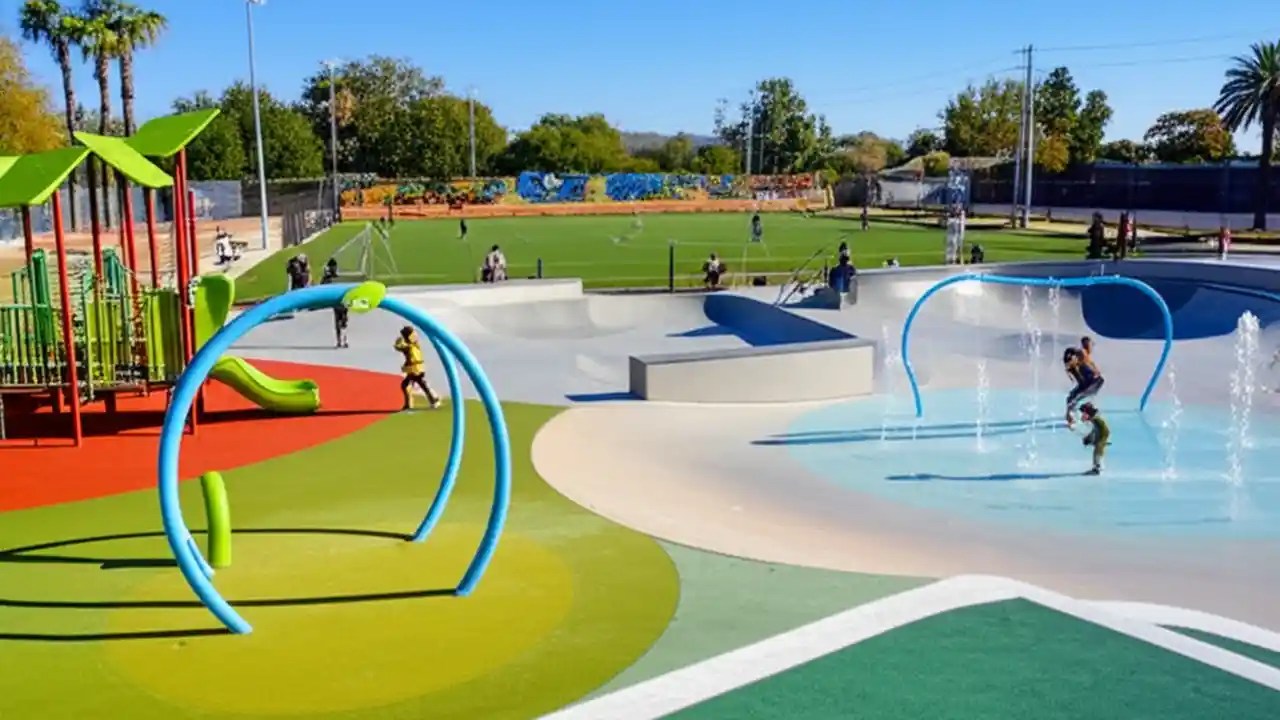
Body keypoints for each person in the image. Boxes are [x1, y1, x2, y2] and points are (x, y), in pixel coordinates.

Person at [394, 326, 441, 411]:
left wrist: (398, 342)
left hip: (415, 368)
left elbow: (400, 347)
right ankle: (431, 399)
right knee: (416, 384)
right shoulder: (413, 344)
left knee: (413, 384)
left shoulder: (410, 346)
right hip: (416, 367)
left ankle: (433, 399)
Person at [1063, 346, 1105, 429]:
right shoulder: (1072, 368)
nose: (1068, 365)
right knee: (1071, 398)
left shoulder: (1081, 363)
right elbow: (1081, 383)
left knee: (1077, 398)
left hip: (1095, 382)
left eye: (1070, 361)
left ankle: (1089, 414)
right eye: (1067, 363)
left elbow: (1083, 354)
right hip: (1086, 383)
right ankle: (1087, 413)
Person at [321, 258, 348, 348]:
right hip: (337, 303)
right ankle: (340, 340)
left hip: (343, 302)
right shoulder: (328, 278)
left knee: (343, 321)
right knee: (338, 321)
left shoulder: (338, 277)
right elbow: (322, 287)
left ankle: (343, 339)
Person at [1079, 402, 1110, 475]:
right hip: (1101, 435)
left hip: (1103, 435)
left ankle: (1098, 468)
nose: (1082, 414)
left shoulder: (1095, 419)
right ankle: (1096, 467)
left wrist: (1093, 439)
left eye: (1084, 412)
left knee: (1098, 451)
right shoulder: (1094, 418)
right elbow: (1094, 430)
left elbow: (1102, 430)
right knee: (1096, 451)